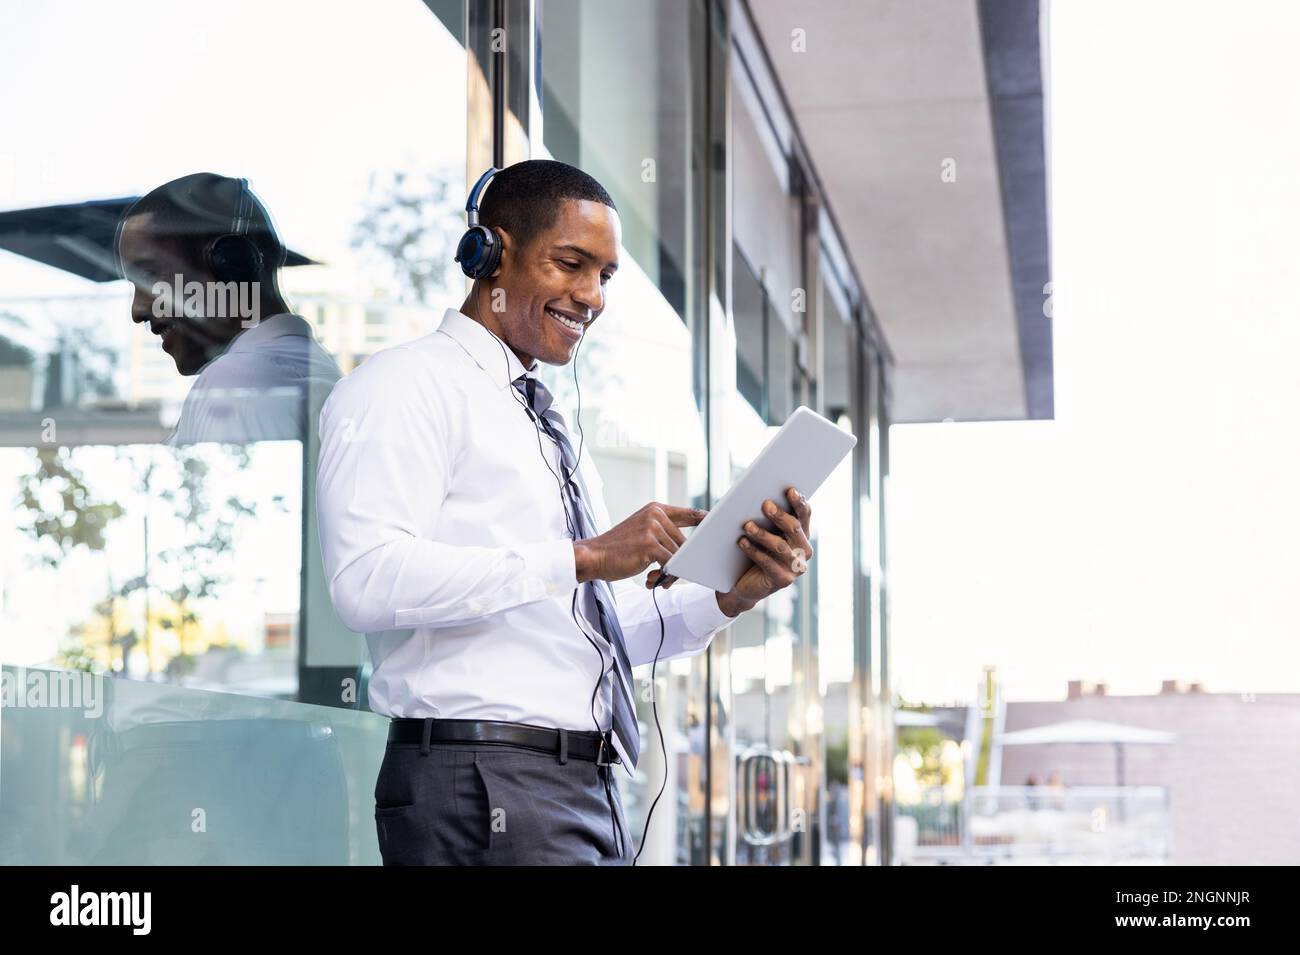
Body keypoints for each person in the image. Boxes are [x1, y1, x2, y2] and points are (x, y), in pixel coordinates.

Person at [315, 159, 815, 865]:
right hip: (481, 782)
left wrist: (730, 595)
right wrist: (582, 557)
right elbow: (365, 581)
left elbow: (597, 631)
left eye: (605, 276)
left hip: (578, 785)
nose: (592, 296)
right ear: (490, 252)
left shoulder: (549, 428)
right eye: (571, 263)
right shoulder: (403, 386)